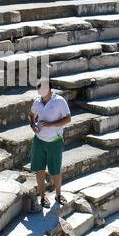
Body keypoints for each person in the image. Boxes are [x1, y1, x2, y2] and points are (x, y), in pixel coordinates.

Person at [28, 80, 70, 209]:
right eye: (38, 90)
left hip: (54, 141)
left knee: (55, 170)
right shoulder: (37, 102)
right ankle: (42, 196)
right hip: (39, 141)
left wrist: (51, 124)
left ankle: (58, 194)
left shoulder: (60, 101)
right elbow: (31, 116)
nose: (40, 92)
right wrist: (32, 125)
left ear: (49, 89)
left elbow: (68, 119)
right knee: (39, 170)